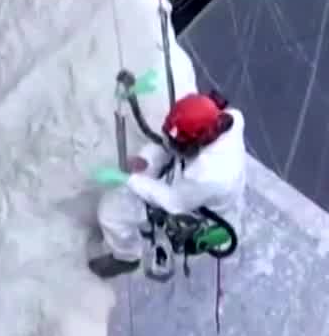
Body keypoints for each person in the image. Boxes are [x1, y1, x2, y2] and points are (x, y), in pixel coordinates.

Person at [92, 91, 246, 278]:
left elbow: (171, 200)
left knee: (111, 212)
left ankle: (126, 257)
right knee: (159, 161)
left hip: (196, 207)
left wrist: (127, 179)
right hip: (198, 186)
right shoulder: (230, 119)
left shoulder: (207, 175)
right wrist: (146, 159)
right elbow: (175, 145)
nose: (171, 147)